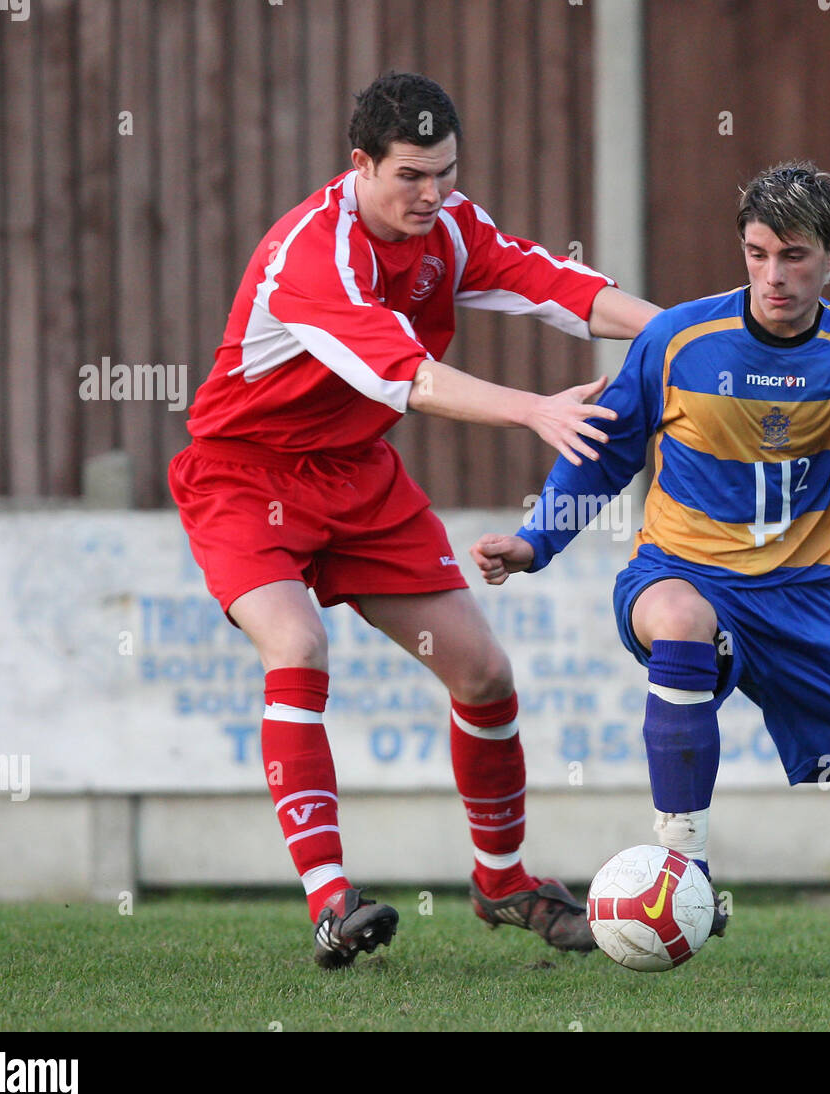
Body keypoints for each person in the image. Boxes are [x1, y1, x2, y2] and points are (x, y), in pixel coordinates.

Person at [168, 72, 660, 969]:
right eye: (410, 176)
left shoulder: (450, 227)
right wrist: (534, 410)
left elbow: (557, 286)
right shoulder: (314, 257)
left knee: (482, 674)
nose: (432, 194)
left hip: (359, 478)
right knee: (297, 645)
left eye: (445, 172)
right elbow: (411, 377)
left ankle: (504, 884)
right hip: (246, 479)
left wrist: (683, 336)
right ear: (360, 165)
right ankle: (329, 902)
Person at [472, 161, 830, 973]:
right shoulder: (679, 339)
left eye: (793, 256)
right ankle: (684, 859)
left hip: (802, 601)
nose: (773, 276)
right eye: (757, 254)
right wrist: (536, 540)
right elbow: (606, 450)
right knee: (683, 622)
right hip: (682, 572)